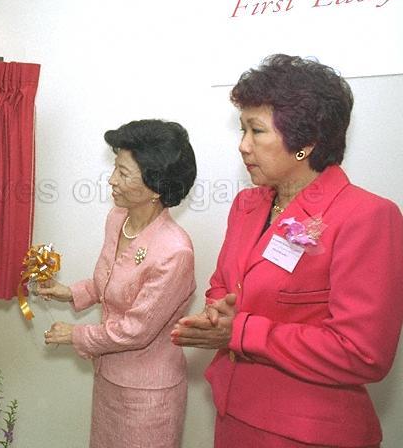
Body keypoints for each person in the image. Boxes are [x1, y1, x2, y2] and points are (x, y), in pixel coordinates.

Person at [171, 54, 403, 447]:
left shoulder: (367, 216)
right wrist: (217, 313)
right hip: (233, 414)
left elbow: (363, 353)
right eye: (242, 130)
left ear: (306, 142)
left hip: (308, 432)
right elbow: (222, 285)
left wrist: (241, 330)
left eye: (256, 131)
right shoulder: (247, 205)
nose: (242, 146)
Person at [39, 119, 197, 448]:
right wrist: (71, 292)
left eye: (123, 174)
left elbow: (136, 329)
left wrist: (76, 334)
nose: (111, 180)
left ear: (155, 187)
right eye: (115, 168)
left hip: (148, 398)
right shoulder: (117, 220)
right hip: (108, 378)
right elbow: (110, 282)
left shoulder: (174, 251)